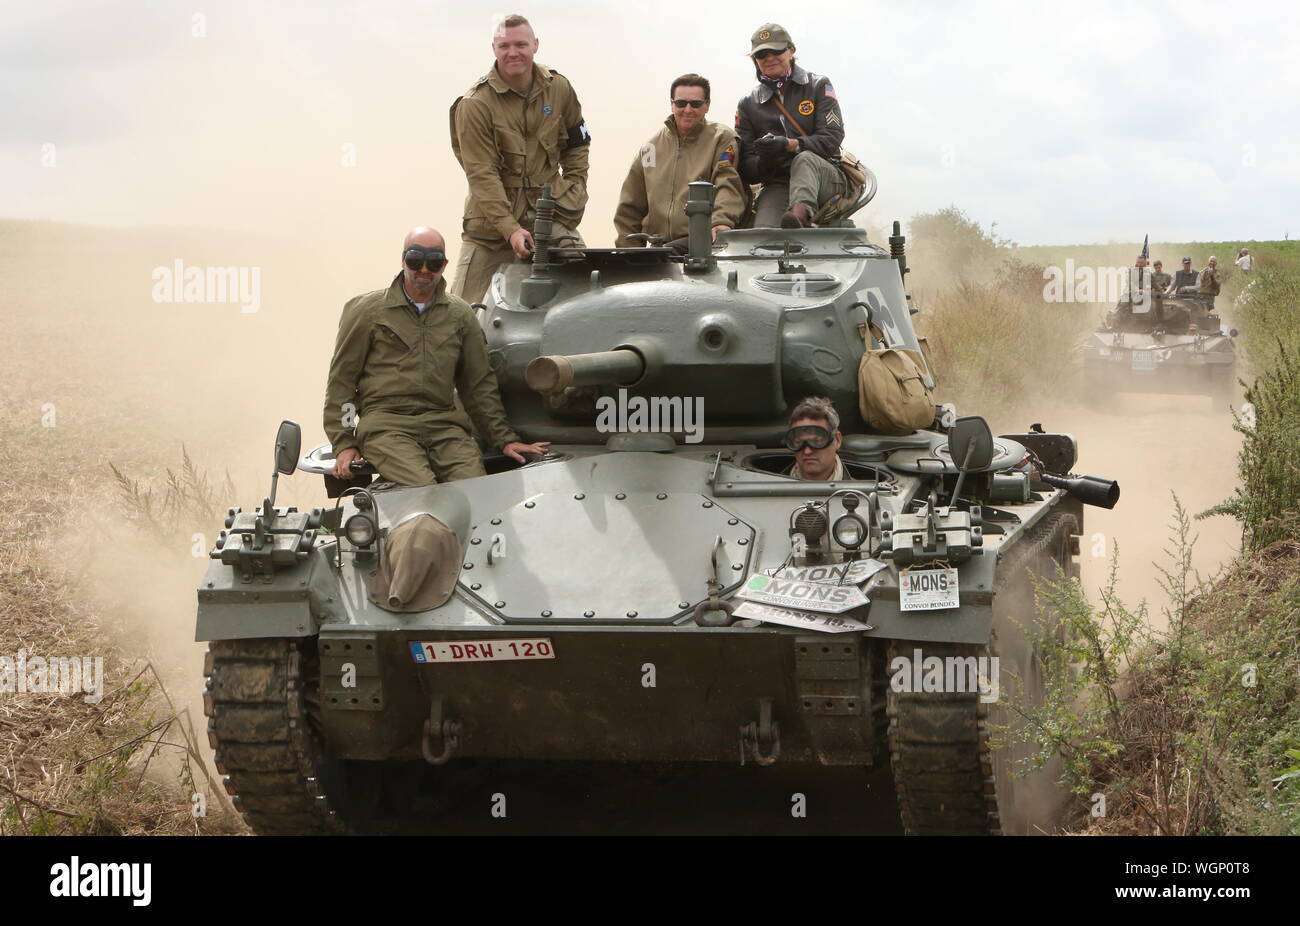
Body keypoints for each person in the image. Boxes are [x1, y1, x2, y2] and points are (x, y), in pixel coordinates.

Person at [323, 226, 550, 486]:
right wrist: (344, 443)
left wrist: (504, 439)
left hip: (444, 426)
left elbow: (478, 385)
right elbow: (342, 382)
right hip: (386, 425)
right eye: (415, 260)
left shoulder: (460, 315)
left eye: (433, 262)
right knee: (425, 490)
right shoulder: (367, 311)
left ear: (444, 265)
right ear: (403, 260)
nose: (423, 270)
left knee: (476, 490)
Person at [449, 14, 591, 305]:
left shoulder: (559, 87)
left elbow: (578, 142)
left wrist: (575, 188)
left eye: (520, 44)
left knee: (589, 298)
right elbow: (481, 175)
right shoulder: (475, 104)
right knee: (463, 316)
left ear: (535, 45)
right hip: (490, 228)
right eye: (504, 46)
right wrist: (510, 229)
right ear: (494, 49)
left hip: (550, 213)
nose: (513, 52)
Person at [613, 73, 746, 249]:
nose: (688, 110)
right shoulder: (651, 148)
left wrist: (721, 221)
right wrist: (627, 254)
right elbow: (630, 206)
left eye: (696, 104)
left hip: (702, 243)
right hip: (659, 248)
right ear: (672, 104)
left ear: (707, 105)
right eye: (681, 103)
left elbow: (727, 183)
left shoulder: (722, 139)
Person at [735, 24, 848, 228]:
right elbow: (745, 167)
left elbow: (832, 137)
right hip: (779, 182)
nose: (769, 58)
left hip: (825, 176)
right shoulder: (747, 104)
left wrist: (789, 144)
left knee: (804, 159)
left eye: (776, 50)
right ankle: (790, 223)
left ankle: (799, 214)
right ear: (755, 60)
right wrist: (765, 160)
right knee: (762, 238)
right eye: (761, 54)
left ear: (791, 50)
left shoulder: (818, 85)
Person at [783, 396, 846, 481]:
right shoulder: (770, 489)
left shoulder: (863, 492)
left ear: (837, 440)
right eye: (799, 442)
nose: (807, 451)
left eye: (817, 441)